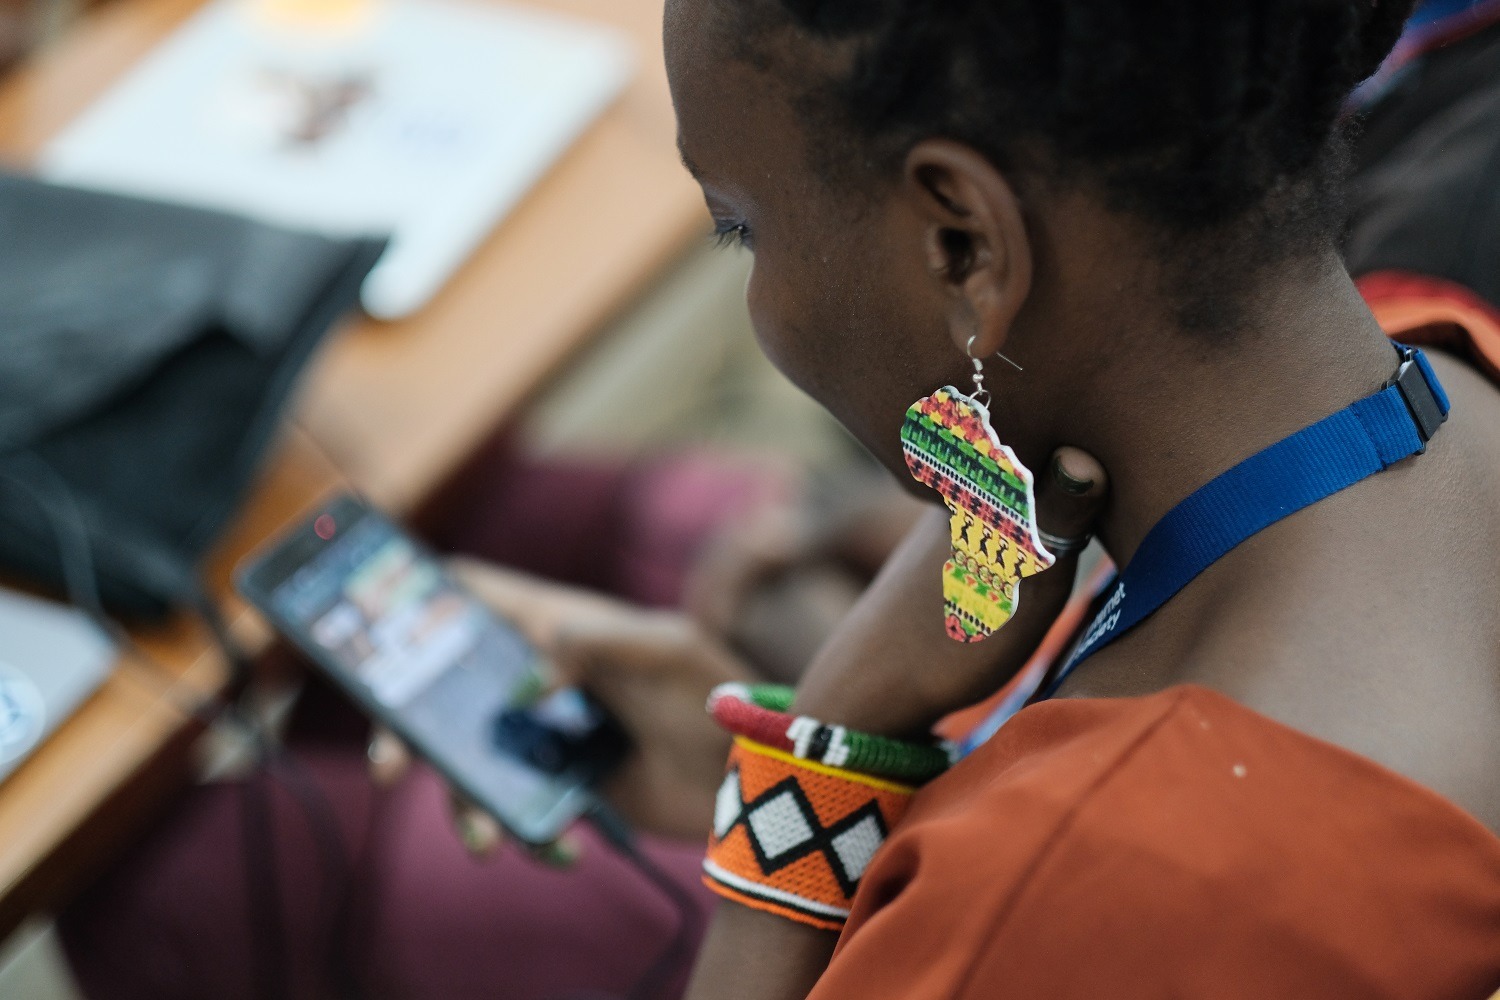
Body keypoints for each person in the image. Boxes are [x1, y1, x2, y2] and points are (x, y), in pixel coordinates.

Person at [61, 1, 1500, 998]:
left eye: (742, 228)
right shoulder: (1442, 351)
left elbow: (1050, 879)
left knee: (160, 884)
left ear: (961, 244)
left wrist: (831, 733)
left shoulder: (1083, 879)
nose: (755, 291)